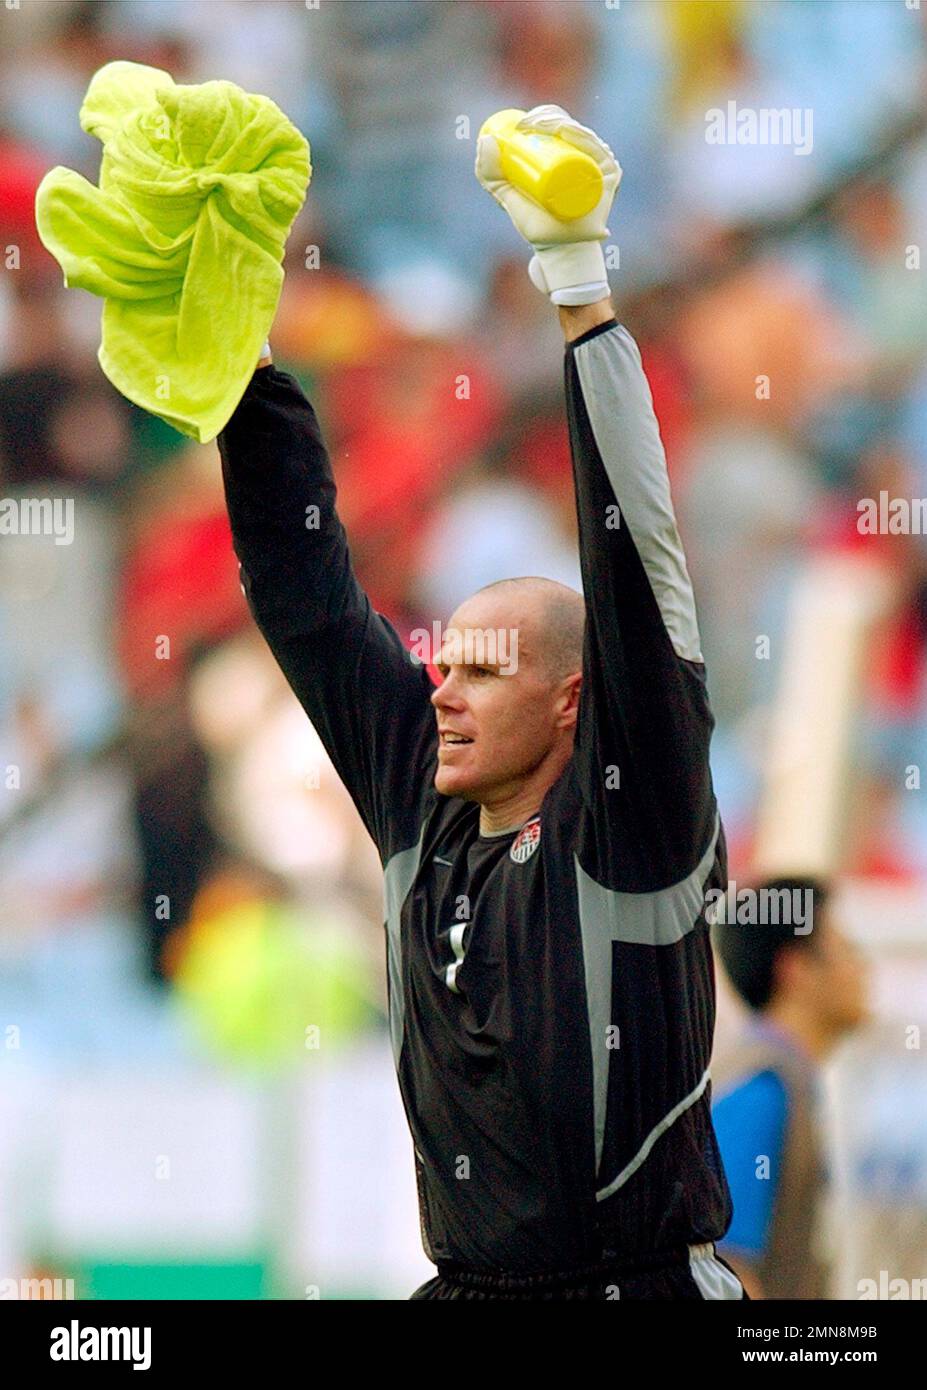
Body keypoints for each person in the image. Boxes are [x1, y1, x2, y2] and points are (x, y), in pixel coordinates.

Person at [217, 106, 743, 1300]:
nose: (441, 692)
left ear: (573, 704)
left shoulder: (633, 815)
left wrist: (577, 285)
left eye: (485, 669)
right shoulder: (422, 792)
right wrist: (241, 370)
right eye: (442, 664)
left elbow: (637, 561)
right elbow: (307, 600)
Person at [711, 876, 870, 1299]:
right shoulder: (761, 1086)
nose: (863, 967)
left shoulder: (784, 1078)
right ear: (796, 969)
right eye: (846, 950)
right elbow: (727, 1266)